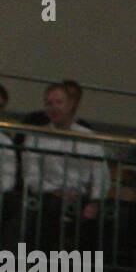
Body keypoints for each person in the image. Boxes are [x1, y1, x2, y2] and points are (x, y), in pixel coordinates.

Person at [18, 83, 108, 246]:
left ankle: (84, 269)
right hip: (47, 197)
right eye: (49, 103)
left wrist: (94, 201)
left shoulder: (88, 136)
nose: (54, 108)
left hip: (81, 198)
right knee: (49, 211)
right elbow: (30, 175)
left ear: (71, 104)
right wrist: (55, 191)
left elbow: (100, 172)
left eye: (59, 102)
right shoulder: (36, 136)